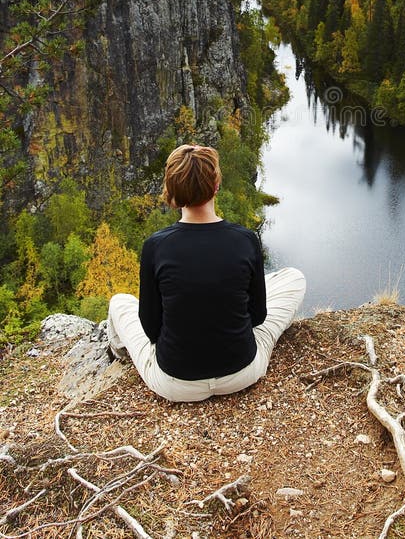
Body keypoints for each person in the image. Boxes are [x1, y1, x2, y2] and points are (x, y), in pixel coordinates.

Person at [107, 143, 306, 402]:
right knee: (294, 278)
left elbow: (151, 328)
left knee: (119, 301)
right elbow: (258, 317)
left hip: (174, 383)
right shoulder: (245, 240)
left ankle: (118, 356)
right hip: (243, 371)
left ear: (172, 193)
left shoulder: (155, 247)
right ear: (216, 186)